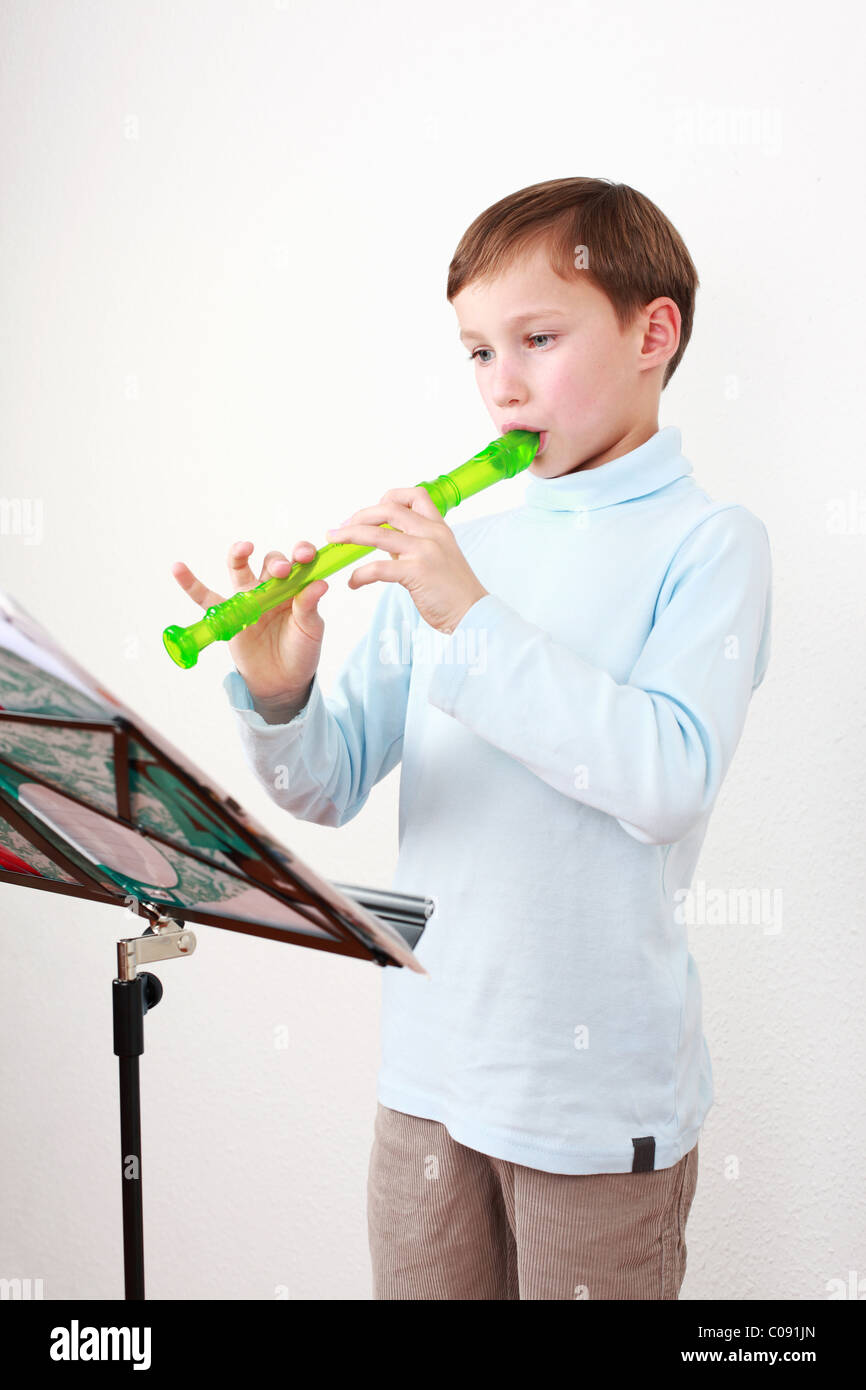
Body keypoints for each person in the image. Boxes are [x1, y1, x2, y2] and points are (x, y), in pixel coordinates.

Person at [170, 177, 772, 1300]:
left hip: (593, 1104)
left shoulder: (709, 543)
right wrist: (282, 691)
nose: (501, 387)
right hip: (431, 1069)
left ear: (652, 333)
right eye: (477, 353)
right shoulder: (460, 539)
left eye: (536, 339)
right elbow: (326, 787)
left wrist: (471, 616)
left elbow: (664, 780)